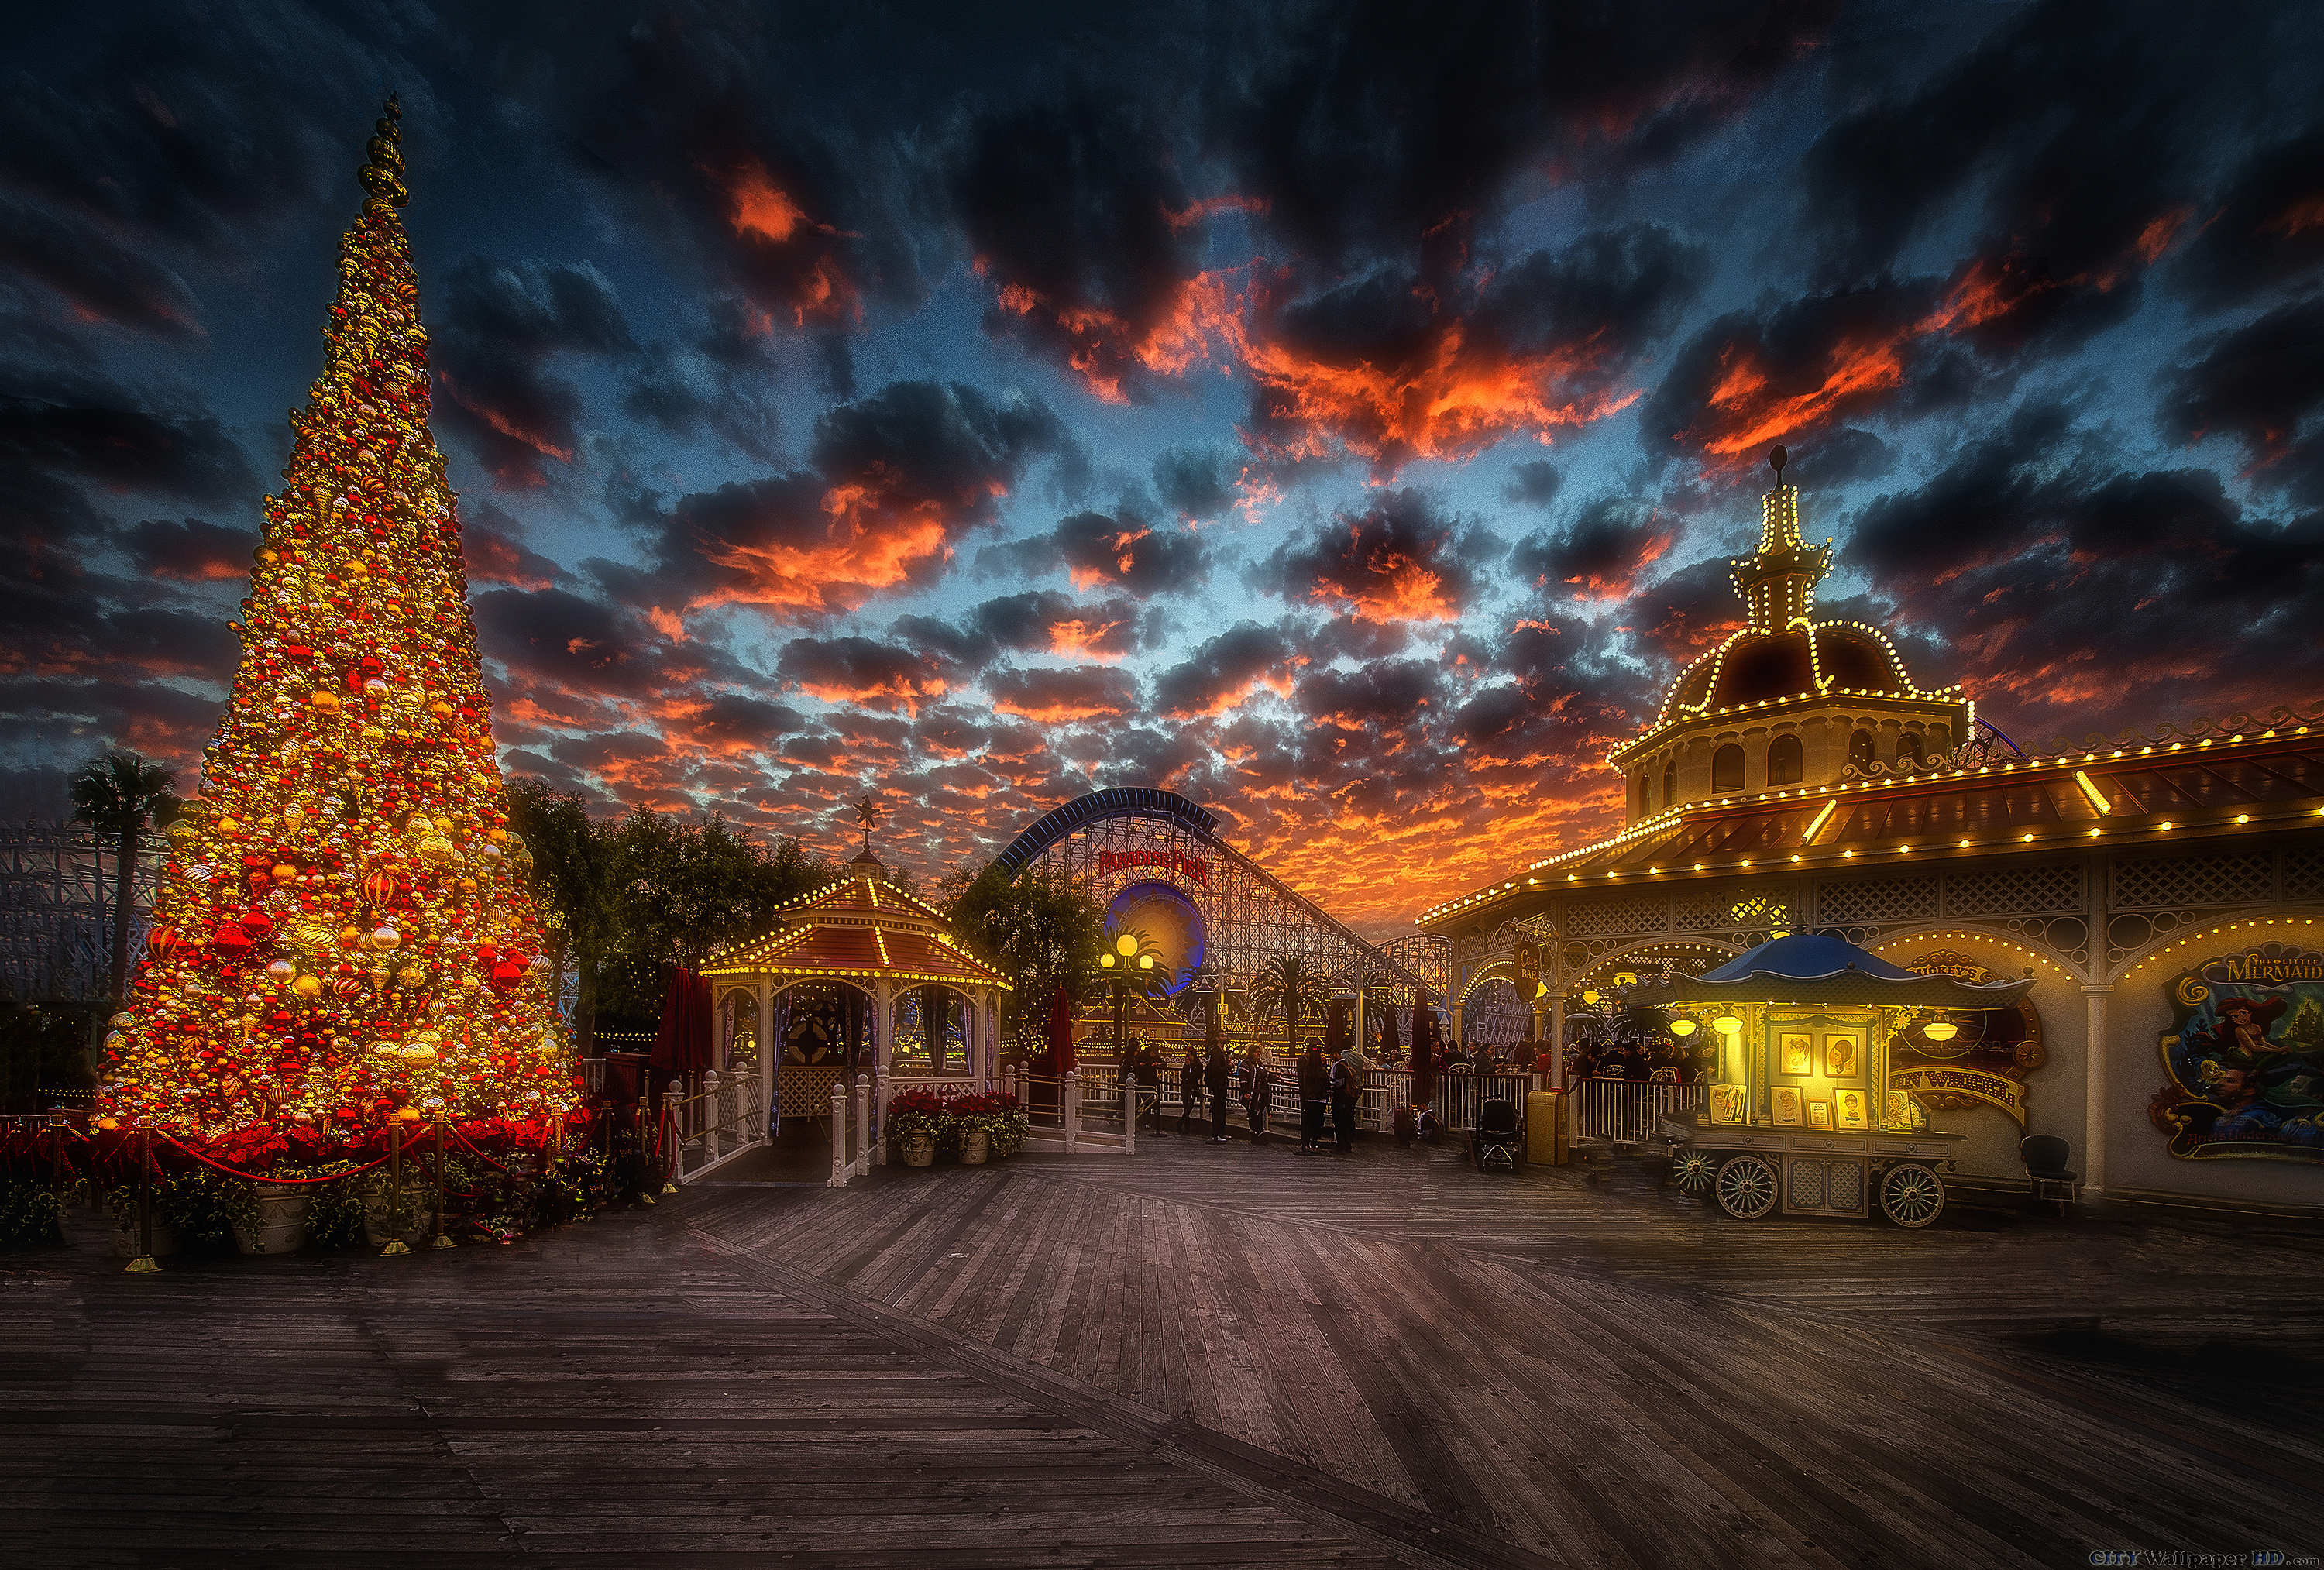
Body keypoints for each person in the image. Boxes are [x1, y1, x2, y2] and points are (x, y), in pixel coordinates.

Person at [1297, 1041, 1327, 1153]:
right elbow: (1327, 1084)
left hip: (1309, 1099)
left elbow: (1303, 1084)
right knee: (1317, 1122)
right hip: (1320, 1099)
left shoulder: (1307, 1071)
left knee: (1307, 1122)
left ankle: (1305, 1144)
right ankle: (1314, 1143)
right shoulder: (1322, 1071)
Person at [1329, 1048, 1359, 1153]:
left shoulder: (1338, 1067)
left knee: (1339, 1122)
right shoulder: (1349, 1067)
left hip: (1340, 1098)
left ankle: (1341, 1145)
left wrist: (1331, 1085)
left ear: (1337, 1054)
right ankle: (1347, 1145)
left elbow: (1339, 1083)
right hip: (1348, 1098)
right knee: (1346, 1121)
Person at [1207, 1039, 1232, 1142]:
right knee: (1218, 1109)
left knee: (1221, 1109)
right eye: (1222, 1036)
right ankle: (1216, 1134)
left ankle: (1221, 1132)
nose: (1225, 1037)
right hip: (1218, 1084)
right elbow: (1217, 1069)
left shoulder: (1221, 1052)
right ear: (1217, 1038)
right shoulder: (1216, 1052)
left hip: (1221, 1083)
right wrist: (1228, 1067)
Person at [1246, 1053, 1275, 1143]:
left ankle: (1257, 1133)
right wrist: (1246, 1092)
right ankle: (1257, 1133)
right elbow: (1245, 1078)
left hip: (1260, 1093)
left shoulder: (1259, 1064)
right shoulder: (1249, 1064)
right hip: (1254, 1093)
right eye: (1256, 1052)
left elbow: (1264, 1075)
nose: (1258, 1054)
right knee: (1254, 1113)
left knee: (1258, 1113)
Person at [1178, 1043, 1203, 1135]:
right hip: (1185, 1086)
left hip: (1192, 1087)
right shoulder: (1186, 1065)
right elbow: (1182, 1076)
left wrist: (1189, 1075)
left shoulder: (1198, 1065)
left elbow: (1197, 1076)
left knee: (1189, 1106)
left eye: (1191, 1056)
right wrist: (1187, 1067)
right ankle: (1185, 1126)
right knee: (1186, 1106)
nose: (1190, 1058)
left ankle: (1181, 1123)